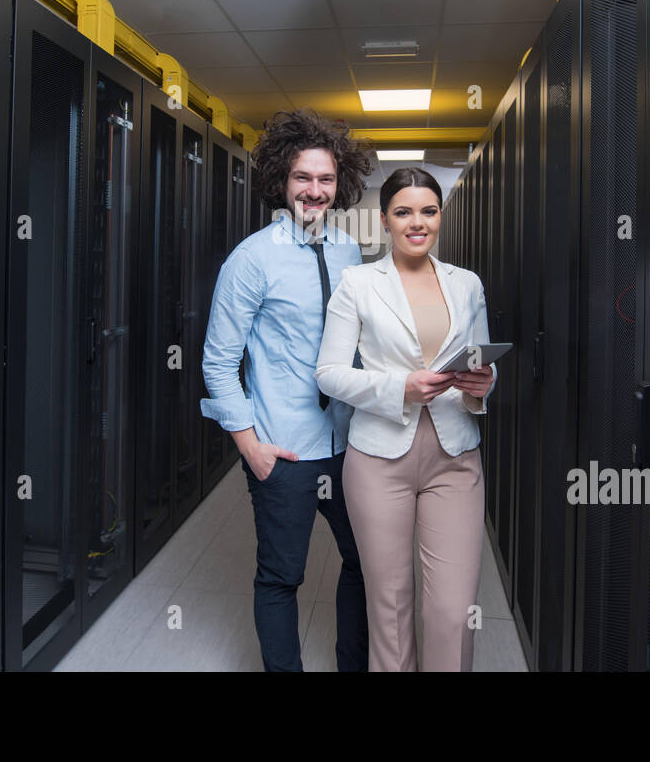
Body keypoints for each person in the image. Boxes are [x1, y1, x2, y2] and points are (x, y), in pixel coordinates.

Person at [199, 108, 373, 672]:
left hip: (348, 447)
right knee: (281, 576)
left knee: (363, 563)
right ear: (281, 181)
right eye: (303, 178)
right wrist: (251, 447)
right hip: (285, 450)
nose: (314, 191)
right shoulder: (251, 260)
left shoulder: (350, 254)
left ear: (339, 184)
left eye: (325, 179)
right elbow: (218, 362)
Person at [314, 167, 496, 671]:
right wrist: (400, 387)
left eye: (429, 211)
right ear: (385, 219)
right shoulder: (358, 283)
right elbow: (328, 373)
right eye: (404, 212)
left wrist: (483, 385)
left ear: (440, 216)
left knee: (453, 612)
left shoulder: (467, 284)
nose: (418, 223)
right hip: (378, 461)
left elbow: (482, 358)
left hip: (455, 458)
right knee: (390, 608)